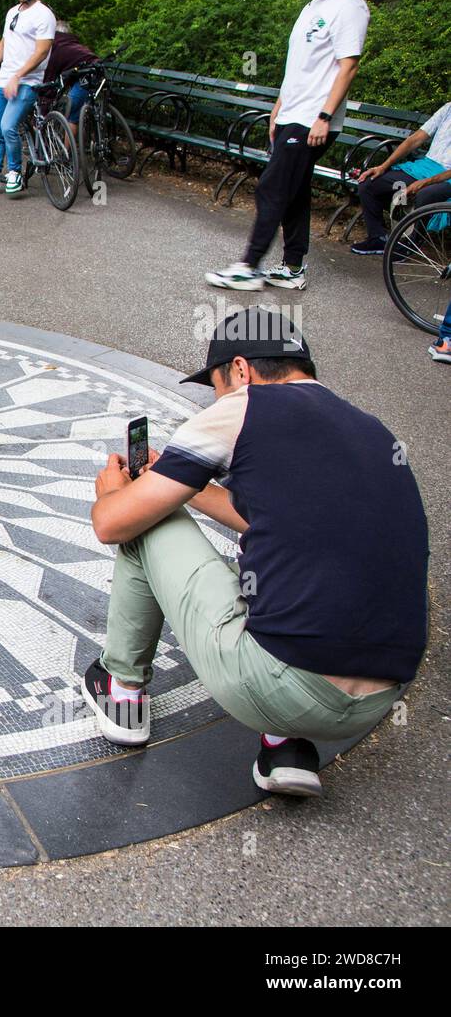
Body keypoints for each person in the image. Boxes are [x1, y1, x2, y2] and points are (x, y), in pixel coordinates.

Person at [85, 307, 427, 796]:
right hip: (378, 697)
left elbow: (112, 526)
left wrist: (114, 492)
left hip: (274, 683)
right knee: (291, 569)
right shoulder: (373, 430)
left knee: (147, 525)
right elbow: (276, 520)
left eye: (217, 384)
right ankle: (284, 746)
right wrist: (182, 480)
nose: (217, 397)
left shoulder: (242, 406)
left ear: (241, 370)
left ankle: (121, 690)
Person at [206, 0, 369, 292]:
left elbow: (349, 66)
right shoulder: (313, 6)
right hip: (292, 115)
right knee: (294, 193)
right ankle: (293, 268)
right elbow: (300, 67)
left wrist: (324, 116)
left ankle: (249, 267)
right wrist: (278, 109)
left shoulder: (348, 4)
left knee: (272, 188)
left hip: (312, 119)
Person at [0, 0, 54, 196]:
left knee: (8, 127)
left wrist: (18, 76)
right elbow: (5, 43)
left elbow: (42, 51)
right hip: (4, 81)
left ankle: (15, 172)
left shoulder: (44, 14)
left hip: (27, 82)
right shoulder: (12, 12)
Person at [349, 101, 451, 256]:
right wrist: (383, 166)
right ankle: (378, 238)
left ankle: (409, 246)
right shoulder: (448, 108)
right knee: (370, 183)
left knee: (426, 194)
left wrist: (426, 182)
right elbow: (415, 139)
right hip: (423, 169)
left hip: (446, 178)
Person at [43, 20, 98, 137]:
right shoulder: (73, 44)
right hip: (98, 71)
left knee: (72, 112)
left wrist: (44, 104)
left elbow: (49, 78)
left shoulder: (56, 48)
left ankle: (67, 153)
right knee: (77, 106)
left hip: (86, 76)